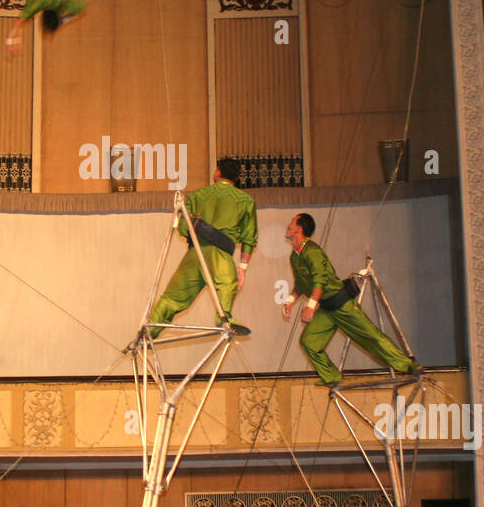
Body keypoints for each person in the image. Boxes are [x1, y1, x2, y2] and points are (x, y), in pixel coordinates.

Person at [282, 213, 422, 386]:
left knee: (371, 336)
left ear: (299, 228)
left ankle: (408, 365)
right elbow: (302, 284)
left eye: (292, 222)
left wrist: (310, 306)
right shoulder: (295, 256)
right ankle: (332, 377)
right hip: (327, 308)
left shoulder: (311, 251)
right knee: (309, 342)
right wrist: (290, 300)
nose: (288, 225)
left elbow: (320, 278)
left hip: (341, 304)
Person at [147, 158, 257, 338]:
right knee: (227, 284)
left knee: (172, 297)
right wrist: (242, 268)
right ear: (236, 178)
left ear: (218, 172)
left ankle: (150, 331)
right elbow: (249, 238)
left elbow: (183, 227)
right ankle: (224, 319)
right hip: (220, 255)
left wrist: (198, 236)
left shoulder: (198, 196)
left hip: (194, 254)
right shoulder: (245, 201)